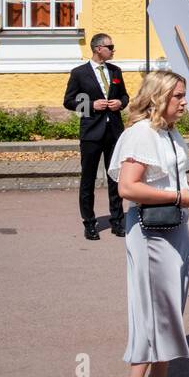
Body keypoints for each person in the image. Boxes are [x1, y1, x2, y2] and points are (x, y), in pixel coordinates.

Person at [110, 70, 189, 377]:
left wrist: (188, 192)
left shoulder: (170, 131)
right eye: (177, 96)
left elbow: (172, 178)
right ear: (159, 97)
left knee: (170, 306)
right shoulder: (140, 134)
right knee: (151, 308)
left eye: (184, 95)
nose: (183, 102)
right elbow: (128, 188)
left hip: (174, 227)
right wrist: (178, 196)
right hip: (149, 232)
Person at [64, 32, 129, 240]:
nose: (113, 50)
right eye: (110, 47)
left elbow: (125, 96)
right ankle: (89, 223)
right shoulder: (79, 73)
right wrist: (90, 105)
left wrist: (121, 103)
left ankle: (117, 221)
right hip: (92, 132)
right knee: (88, 179)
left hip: (114, 131)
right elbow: (69, 101)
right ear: (98, 48)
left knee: (115, 177)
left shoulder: (115, 70)